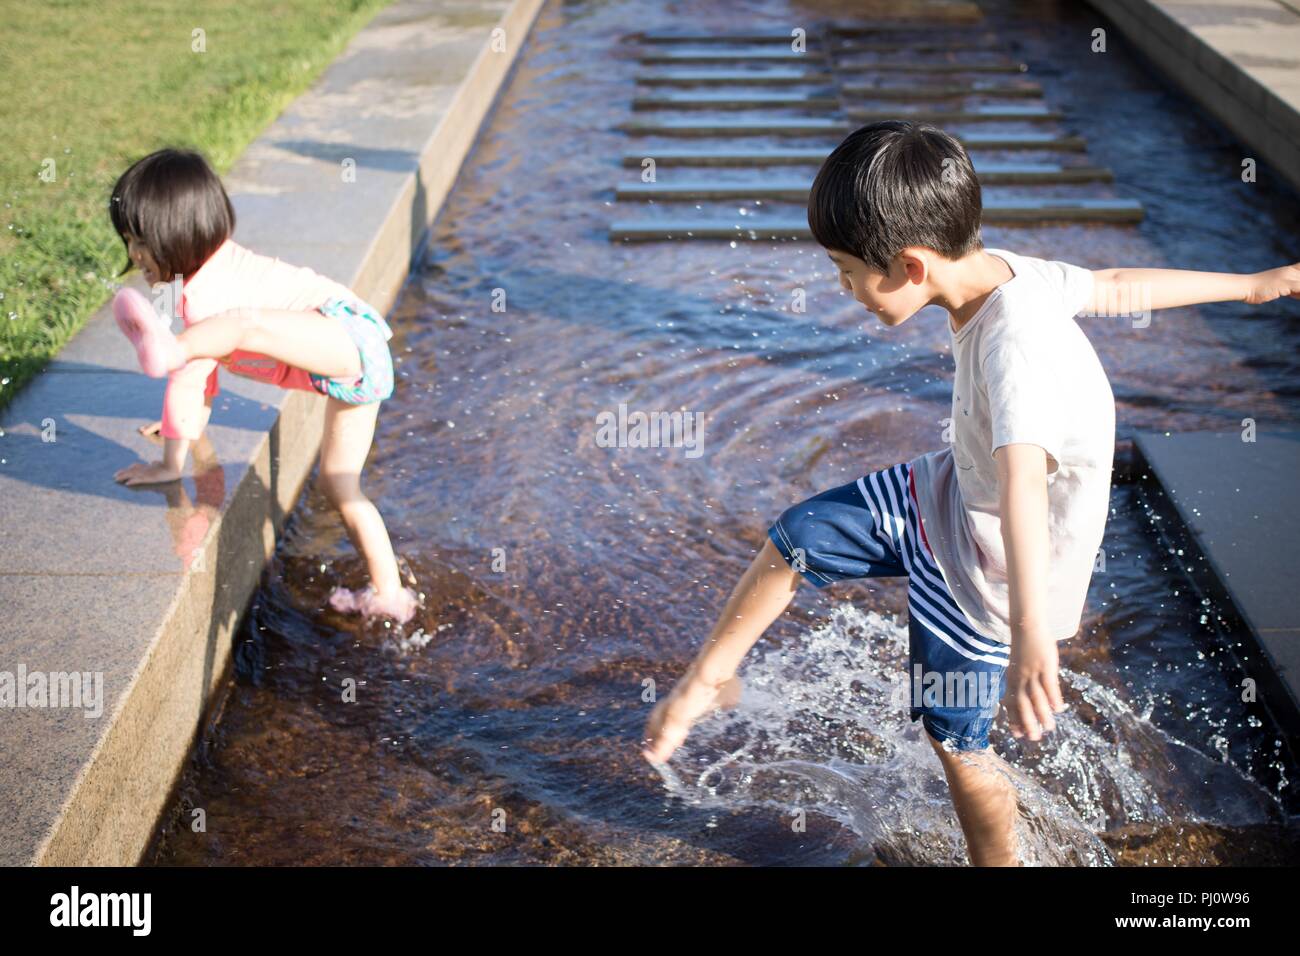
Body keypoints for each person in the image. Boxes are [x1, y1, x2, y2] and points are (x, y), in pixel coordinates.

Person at [641, 120, 1300, 865]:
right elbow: (1116, 287)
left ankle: (999, 861)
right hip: (949, 497)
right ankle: (710, 679)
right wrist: (1251, 285)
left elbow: (1022, 485)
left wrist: (1026, 636)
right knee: (799, 535)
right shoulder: (1002, 271)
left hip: (992, 573)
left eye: (846, 270)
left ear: (912, 266)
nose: (843, 289)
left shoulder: (1015, 346)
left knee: (957, 742)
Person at [109, 148, 418, 623]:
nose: (133, 254)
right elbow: (201, 375)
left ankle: (171, 346)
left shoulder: (206, 297)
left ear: (175, 233)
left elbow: (191, 372)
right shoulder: (206, 280)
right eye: (128, 240)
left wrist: (171, 463)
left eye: (140, 240)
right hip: (355, 367)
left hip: (343, 335)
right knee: (341, 486)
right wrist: (181, 430)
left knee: (234, 329)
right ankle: (391, 598)